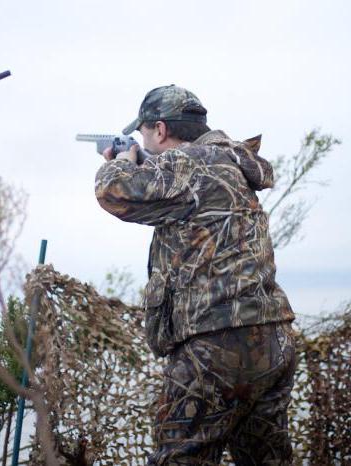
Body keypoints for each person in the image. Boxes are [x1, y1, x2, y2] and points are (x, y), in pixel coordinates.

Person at [94, 85, 297, 465]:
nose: (145, 145)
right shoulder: (230, 163)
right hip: (274, 340)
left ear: (160, 129)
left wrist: (121, 159)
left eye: (144, 136)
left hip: (215, 345)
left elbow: (113, 191)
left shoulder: (187, 162)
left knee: (181, 459)